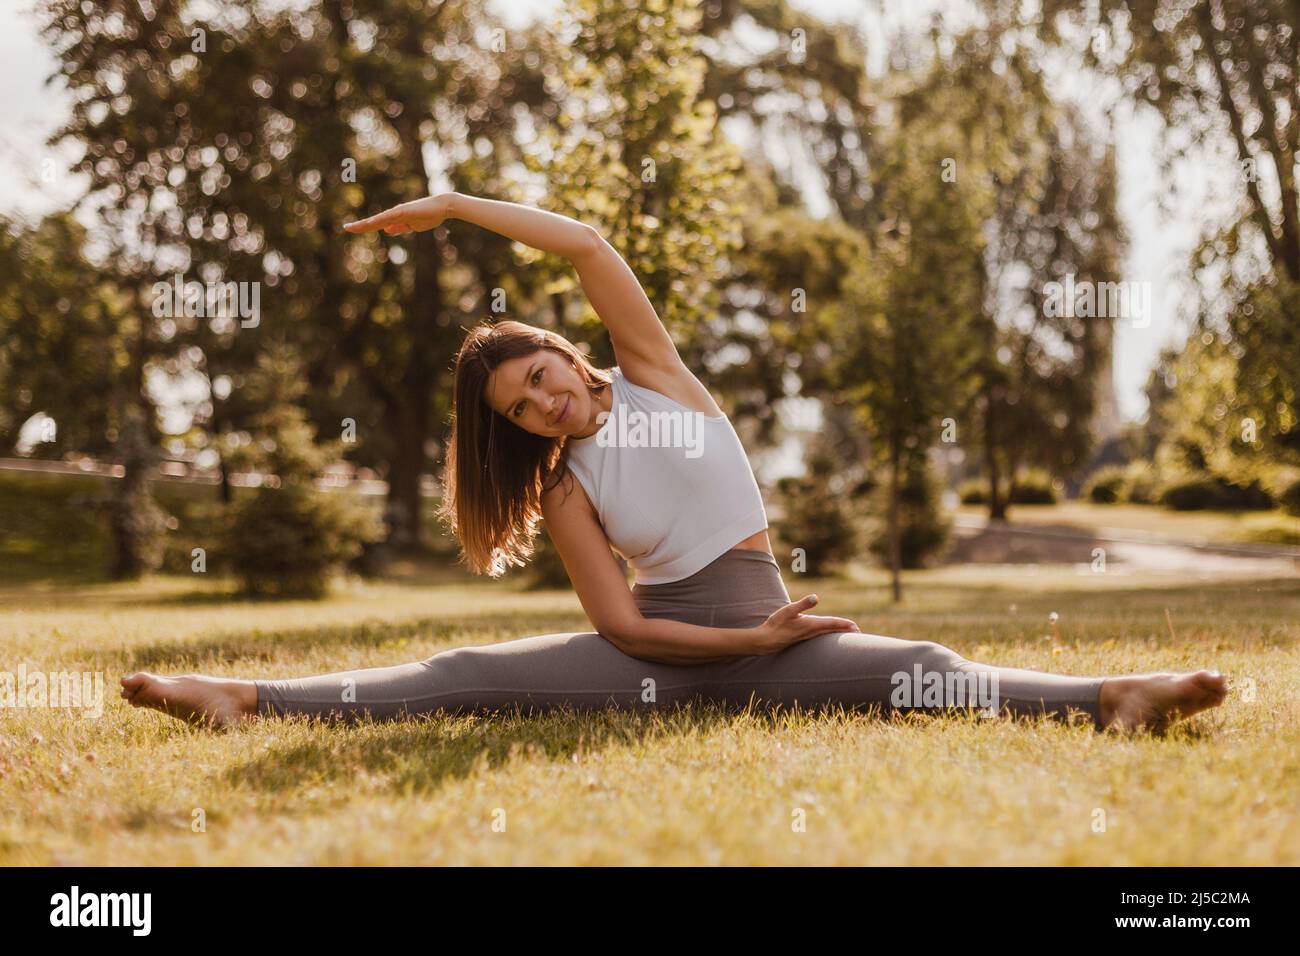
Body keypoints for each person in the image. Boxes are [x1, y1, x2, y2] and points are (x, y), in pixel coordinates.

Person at [121, 192, 1229, 734]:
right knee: (461, 674)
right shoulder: (563, 483)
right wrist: (747, 640)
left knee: (923, 661)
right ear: (518, 427)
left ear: (566, 347)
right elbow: (622, 628)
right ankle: (243, 695)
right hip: (673, 652)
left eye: (544, 372)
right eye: (522, 406)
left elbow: (590, 245)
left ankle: (1113, 694)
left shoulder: (655, 375)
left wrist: (457, 204)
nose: (549, 400)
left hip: (769, 637)